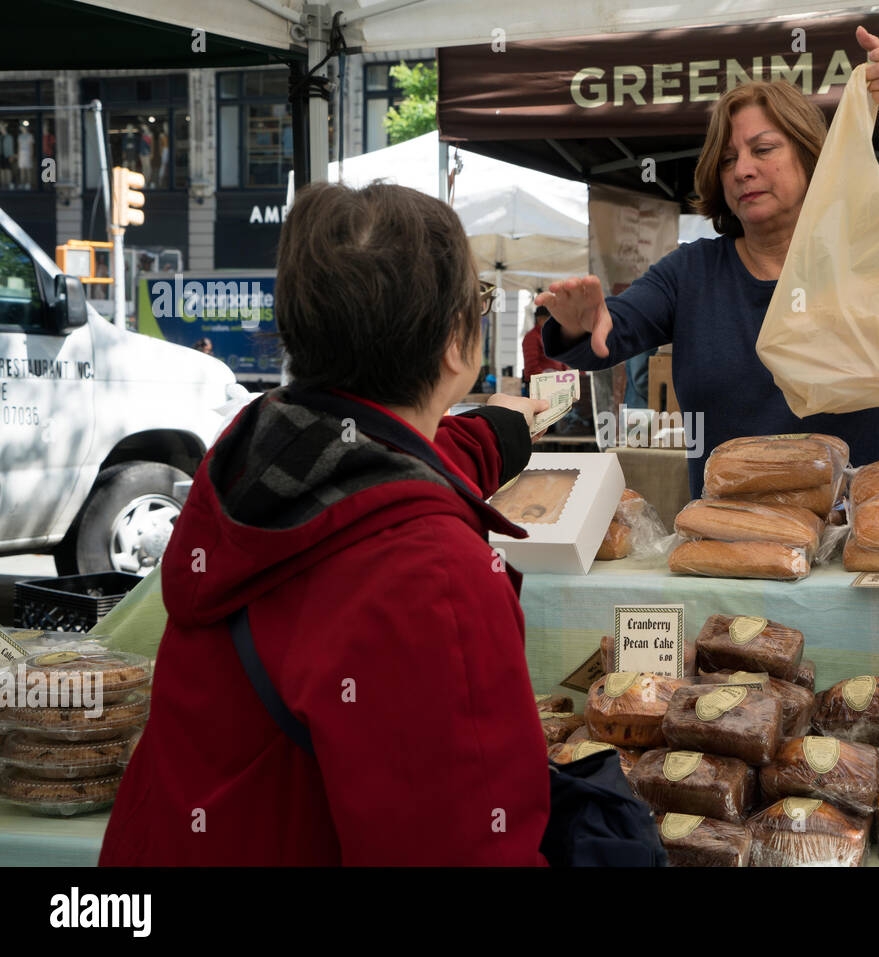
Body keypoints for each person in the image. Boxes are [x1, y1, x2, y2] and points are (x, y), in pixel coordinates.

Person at [100, 182, 552, 866]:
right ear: (457, 342)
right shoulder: (433, 576)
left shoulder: (249, 456)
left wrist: (495, 434)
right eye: (480, 303)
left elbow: (374, 455)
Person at [537, 27, 879, 498]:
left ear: (811, 158)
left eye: (763, 149)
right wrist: (579, 324)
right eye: (727, 159)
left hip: (869, 544)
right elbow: (606, 336)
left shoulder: (875, 251)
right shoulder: (690, 274)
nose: (743, 169)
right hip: (733, 548)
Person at [521, 305, 568, 386]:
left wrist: (564, 375)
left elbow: (562, 359)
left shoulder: (553, 335)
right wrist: (549, 381)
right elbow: (531, 367)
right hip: (541, 385)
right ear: (540, 319)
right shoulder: (532, 337)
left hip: (558, 382)